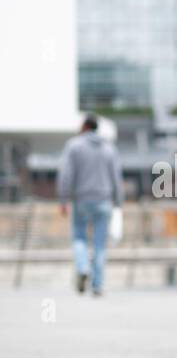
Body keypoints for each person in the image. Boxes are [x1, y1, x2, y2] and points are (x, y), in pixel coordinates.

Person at [57, 114, 122, 296]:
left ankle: (83, 267)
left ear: (85, 126)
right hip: (104, 201)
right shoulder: (109, 149)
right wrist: (118, 202)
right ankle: (97, 285)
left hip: (81, 200)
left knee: (79, 237)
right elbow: (116, 178)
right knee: (100, 244)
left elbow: (66, 175)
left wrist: (63, 199)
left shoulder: (74, 146)